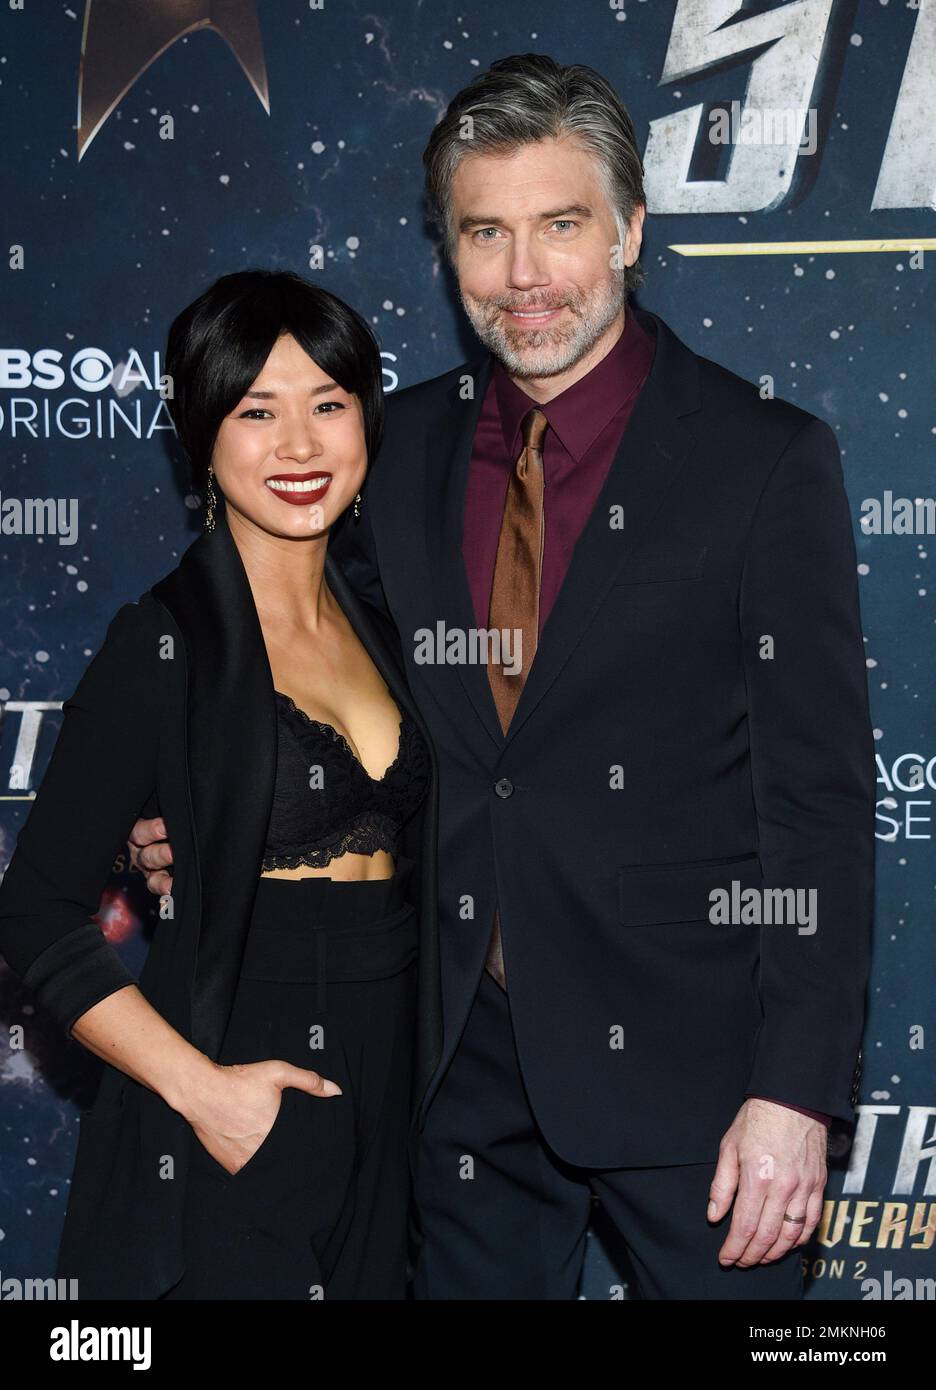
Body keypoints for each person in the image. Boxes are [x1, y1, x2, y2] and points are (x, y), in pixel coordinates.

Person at [129, 54, 875, 1300]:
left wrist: (796, 1091)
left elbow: (820, 809)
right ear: (448, 249)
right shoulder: (394, 444)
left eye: (562, 225)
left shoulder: (763, 460)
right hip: (451, 1070)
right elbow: (308, 675)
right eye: (487, 232)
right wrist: (195, 812)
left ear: (633, 230)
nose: (525, 277)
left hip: (700, 1082)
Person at [0, 270, 437, 1300]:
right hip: (236, 1096)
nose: (299, 446)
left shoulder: (391, 621)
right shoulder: (162, 642)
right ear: (200, 437)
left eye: (328, 405)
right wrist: (207, 1096)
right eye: (257, 412)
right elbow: (37, 911)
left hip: (397, 1106)